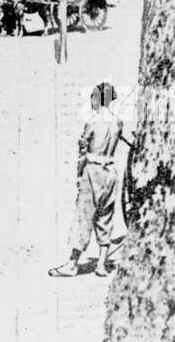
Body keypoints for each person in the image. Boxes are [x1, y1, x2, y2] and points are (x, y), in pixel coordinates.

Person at [49, 82, 127, 279]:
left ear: (98, 99)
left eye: (92, 97)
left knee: (84, 217)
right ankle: (101, 264)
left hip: (92, 169)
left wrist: (78, 175)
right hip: (110, 170)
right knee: (105, 217)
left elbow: (83, 149)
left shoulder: (93, 122)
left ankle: (73, 263)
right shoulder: (118, 122)